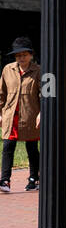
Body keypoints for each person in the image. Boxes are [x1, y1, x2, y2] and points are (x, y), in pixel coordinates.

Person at [1, 37, 41, 193]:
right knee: (7, 146)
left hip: (30, 115)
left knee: (32, 147)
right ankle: (5, 180)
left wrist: (42, 113)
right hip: (11, 116)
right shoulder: (7, 70)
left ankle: (34, 179)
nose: (21, 58)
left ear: (31, 54)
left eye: (24, 55)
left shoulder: (39, 71)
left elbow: (44, 95)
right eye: (18, 55)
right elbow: (1, 93)